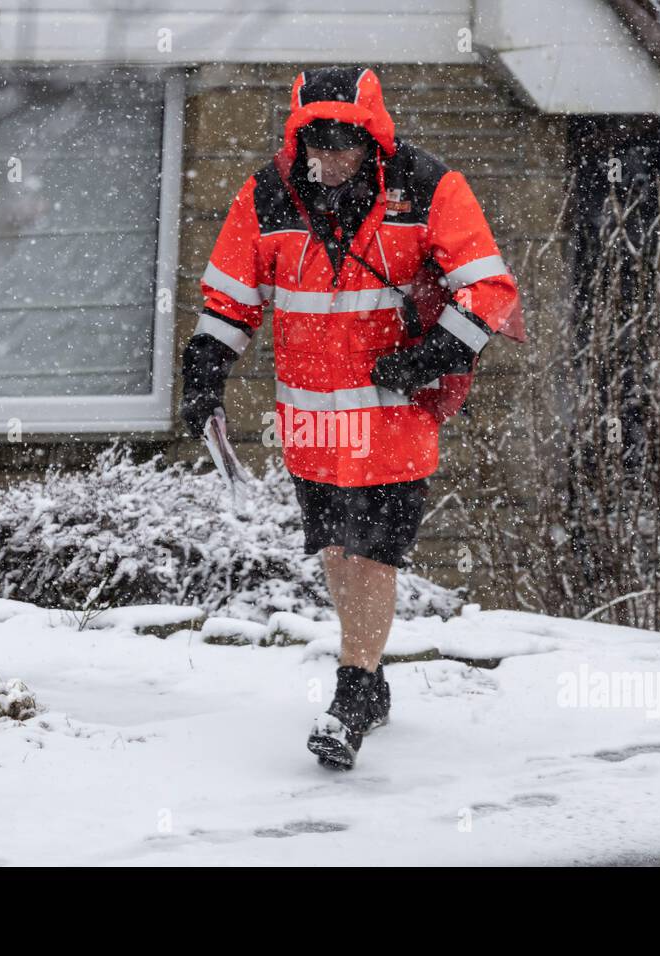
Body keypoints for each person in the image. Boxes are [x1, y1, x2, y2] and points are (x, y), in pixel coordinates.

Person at [180, 65, 522, 769]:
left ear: (372, 141)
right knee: (339, 552)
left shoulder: (428, 188)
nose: (328, 157)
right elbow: (230, 299)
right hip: (310, 420)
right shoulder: (268, 196)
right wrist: (205, 374)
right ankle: (369, 674)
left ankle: (352, 694)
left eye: (343, 142)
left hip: (395, 414)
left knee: (371, 552)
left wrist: (432, 355)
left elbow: (489, 288)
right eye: (316, 141)